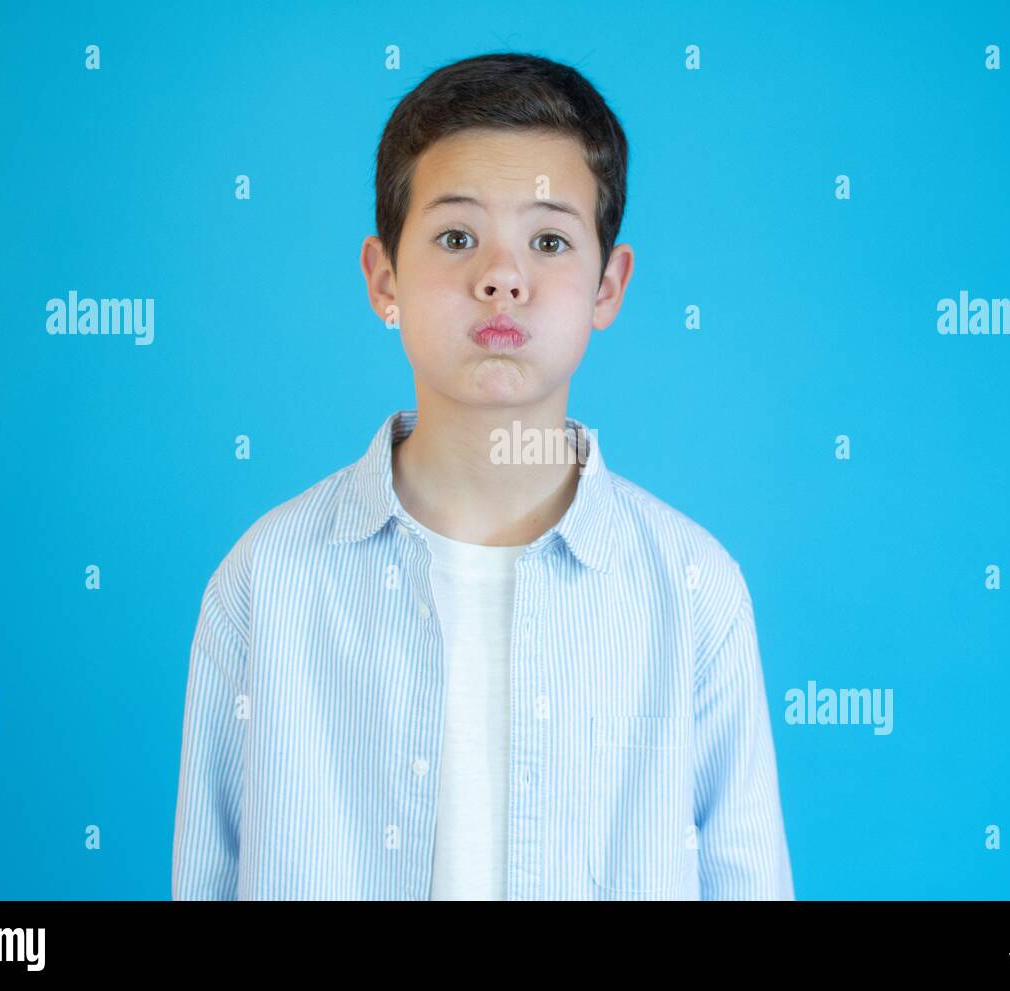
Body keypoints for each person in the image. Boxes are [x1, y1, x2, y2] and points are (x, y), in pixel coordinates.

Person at [172, 51, 794, 900]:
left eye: (548, 239)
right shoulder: (266, 581)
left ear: (608, 286)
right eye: (457, 236)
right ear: (383, 276)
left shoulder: (693, 591)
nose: (501, 276)